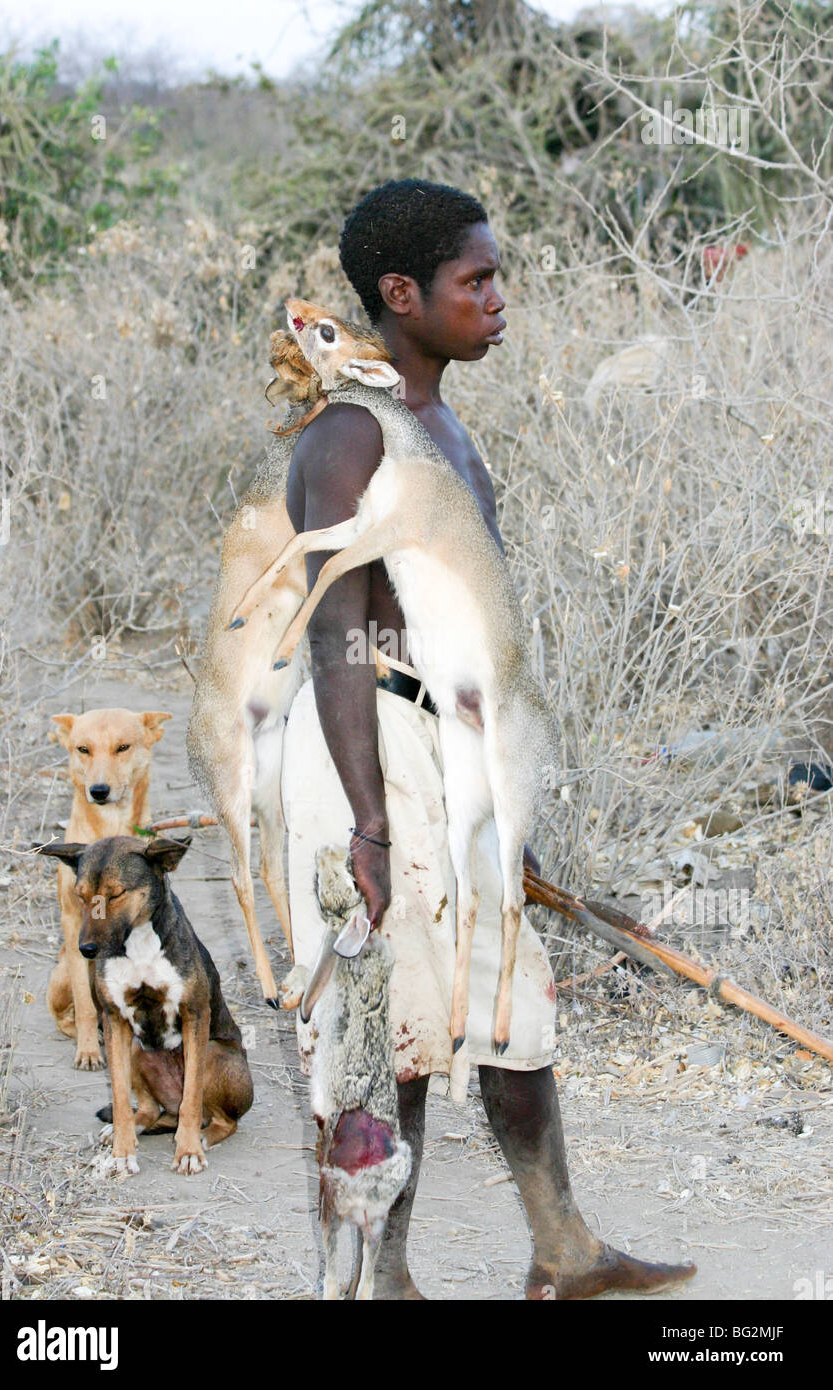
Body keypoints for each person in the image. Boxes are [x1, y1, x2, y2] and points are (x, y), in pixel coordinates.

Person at [280, 177, 696, 1300]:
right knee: (388, 1026)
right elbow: (333, 643)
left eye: (495, 275)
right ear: (400, 293)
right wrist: (369, 830)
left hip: (453, 763)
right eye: (476, 279)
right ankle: (379, 1279)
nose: (497, 298)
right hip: (371, 762)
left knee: (511, 1006)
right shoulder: (348, 440)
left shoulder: (438, 423)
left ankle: (562, 1252)